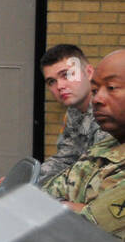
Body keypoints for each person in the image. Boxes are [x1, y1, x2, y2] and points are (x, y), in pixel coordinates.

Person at [42, 49, 125, 240]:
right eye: (51, 82)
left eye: (111, 88)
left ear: (88, 73)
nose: (97, 99)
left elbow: (92, 223)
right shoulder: (77, 114)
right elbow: (67, 165)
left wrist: (75, 207)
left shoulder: (110, 123)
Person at [37, 44, 113, 184]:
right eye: (52, 81)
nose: (59, 86)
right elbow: (66, 158)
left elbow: (98, 173)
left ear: (89, 72)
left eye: (66, 75)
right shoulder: (74, 111)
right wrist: (28, 179)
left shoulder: (110, 110)